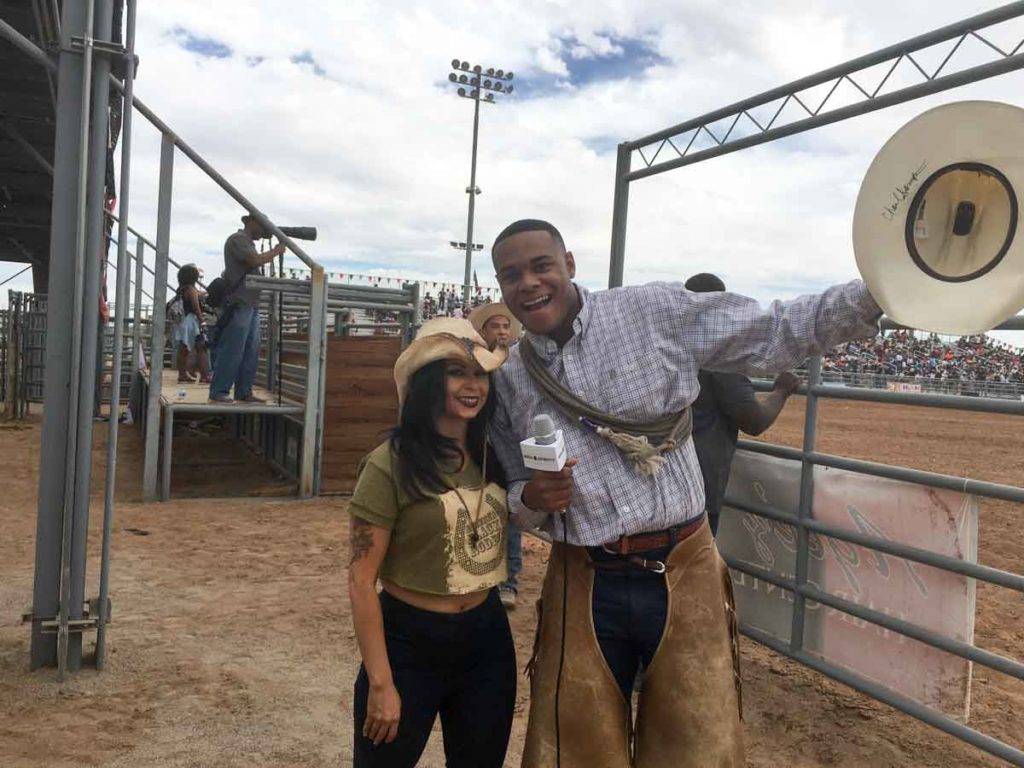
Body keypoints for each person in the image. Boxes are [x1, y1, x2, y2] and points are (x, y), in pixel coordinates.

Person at [487, 219, 882, 767]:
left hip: (684, 566)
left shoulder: (651, 313)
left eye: (540, 266)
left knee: (698, 746)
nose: (528, 283)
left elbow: (770, 330)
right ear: (501, 289)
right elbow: (512, 490)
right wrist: (532, 499)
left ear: (569, 265)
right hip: (582, 577)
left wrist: (873, 295)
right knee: (572, 750)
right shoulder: (510, 379)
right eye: (512, 275)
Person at [347, 317, 517, 768]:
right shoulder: (390, 464)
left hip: (486, 636)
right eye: (456, 371)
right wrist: (381, 682)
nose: (472, 385)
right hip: (408, 640)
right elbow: (362, 581)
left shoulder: (493, 454)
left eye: (480, 373)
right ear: (426, 382)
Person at [685, 272, 801, 535]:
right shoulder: (718, 352)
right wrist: (781, 391)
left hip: (663, 481)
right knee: (694, 568)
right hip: (698, 486)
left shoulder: (673, 344)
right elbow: (754, 420)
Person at [469, 302, 524, 609]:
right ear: (484, 330)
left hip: (507, 445)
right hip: (479, 443)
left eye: (505, 326)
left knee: (510, 510)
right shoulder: (473, 360)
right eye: (496, 326)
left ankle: (509, 580)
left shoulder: (517, 363)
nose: (502, 331)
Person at [208, 214, 285, 403]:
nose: (264, 231)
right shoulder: (237, 240)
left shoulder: (245, 242)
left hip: (250, 304)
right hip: (240, 302)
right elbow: (252, 261)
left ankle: (244, 391)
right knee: (233, 349)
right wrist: (276, 252)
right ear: (252, 222)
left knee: (250, 351)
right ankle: (219, 390)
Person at [169, 263, 211, 383]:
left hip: (183, 322)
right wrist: (202, 321)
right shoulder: (191, 289)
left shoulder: (182, 289)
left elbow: (196, 296)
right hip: (191, 322)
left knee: (184, 349)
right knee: (201, 348)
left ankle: (182, 375)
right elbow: (196, 307)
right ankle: (205, 376)